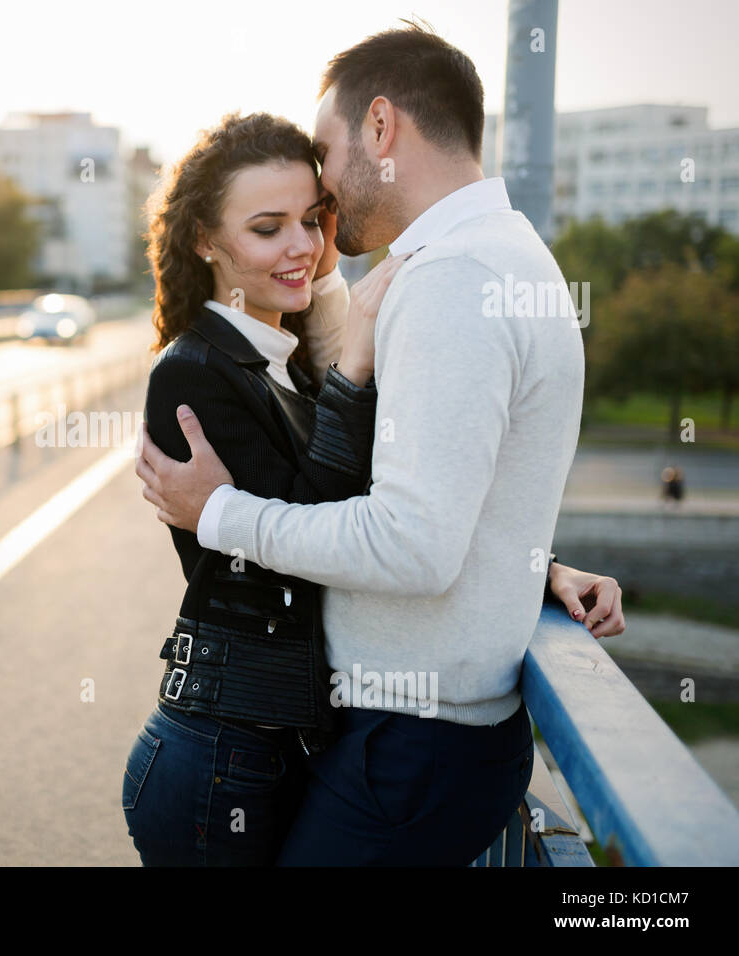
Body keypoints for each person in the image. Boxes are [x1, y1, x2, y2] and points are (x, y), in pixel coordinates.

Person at [134, 22, 626, 866]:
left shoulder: (453, 282)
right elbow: (432, 493)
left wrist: (220, 512)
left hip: (410, 746)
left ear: (382, 127)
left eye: (324, 154)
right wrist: (525, 563)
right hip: (403, 737)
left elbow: (409, 542)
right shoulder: (495, 257)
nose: (322, 191)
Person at [121, 110, 409, 866]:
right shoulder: (193, 374)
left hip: (265, 747)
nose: (303, 247)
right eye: (268, 227)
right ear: (204, 240)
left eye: (312, 222)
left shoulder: (273, 357)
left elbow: (391, 498)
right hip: (220, 757)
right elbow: (319, 527)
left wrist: (535, 565)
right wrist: (352, 365)